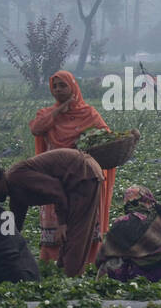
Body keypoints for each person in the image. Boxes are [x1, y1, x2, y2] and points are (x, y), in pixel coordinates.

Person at [29, 70, 116, 266]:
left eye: (63, 86)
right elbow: (36, 129)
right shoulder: (46, 115)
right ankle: (54, 259)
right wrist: (59, 110)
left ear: (73, 87)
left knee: (83, 218)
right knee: (57, 217)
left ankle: (87, 258)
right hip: (54, 176)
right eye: (55, 86)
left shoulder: (89, 114)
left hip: (81, 176)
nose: (58, 90)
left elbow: (106, 138)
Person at [0, 148, 104, 277]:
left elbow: (56, 190)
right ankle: (63, 275)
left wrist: (62, 223)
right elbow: (16, 225)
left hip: (81, 173)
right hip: (78, 177)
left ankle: (72, 281)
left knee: (76, 236)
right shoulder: (14, 193)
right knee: (69, 237)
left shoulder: (16, 176)